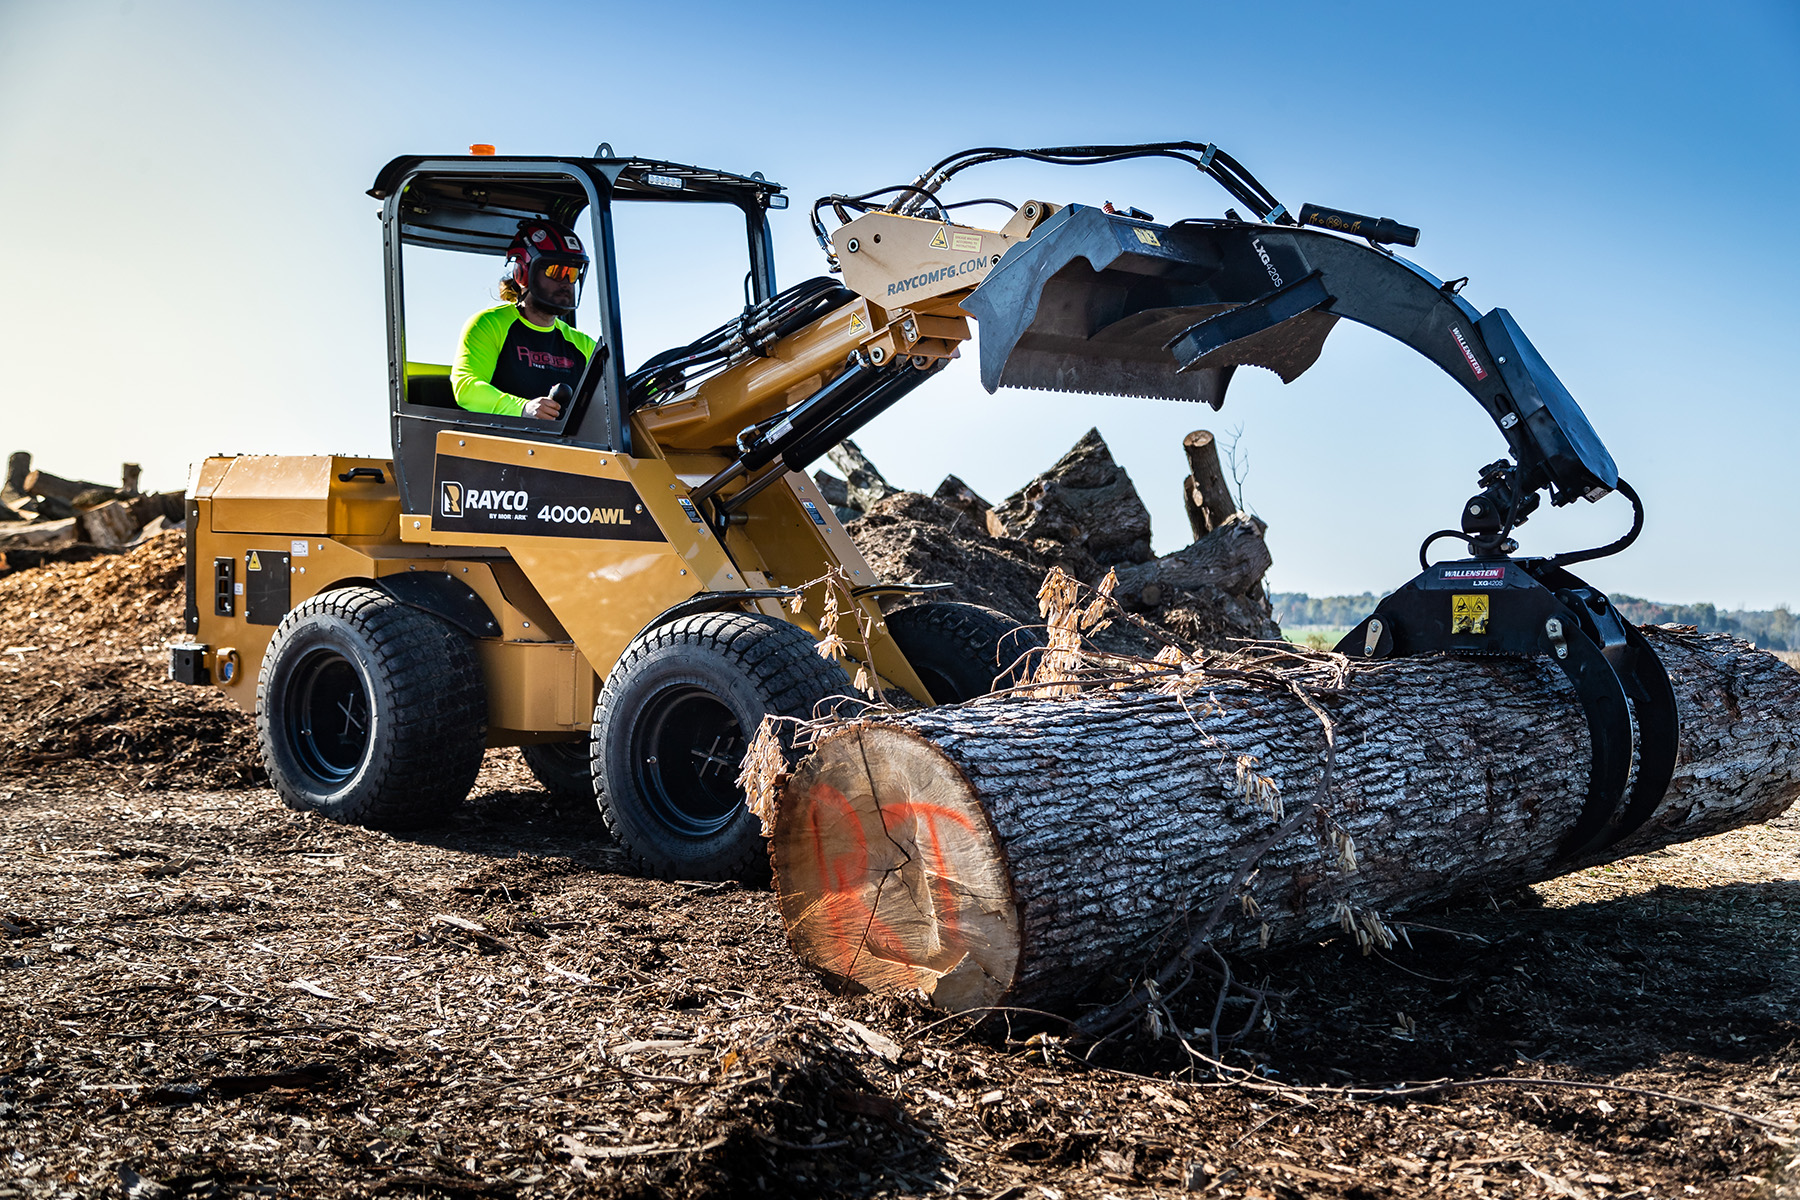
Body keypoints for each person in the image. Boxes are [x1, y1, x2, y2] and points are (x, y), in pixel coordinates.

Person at [451, 219, 599, 420]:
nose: (566, 283)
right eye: (556, 271)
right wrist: (523, 408)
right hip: (503, 445)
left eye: (572, 274)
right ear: (522, 274)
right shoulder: (489, 325)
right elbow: (466, 387)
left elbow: (617, 393)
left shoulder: (584, 344)